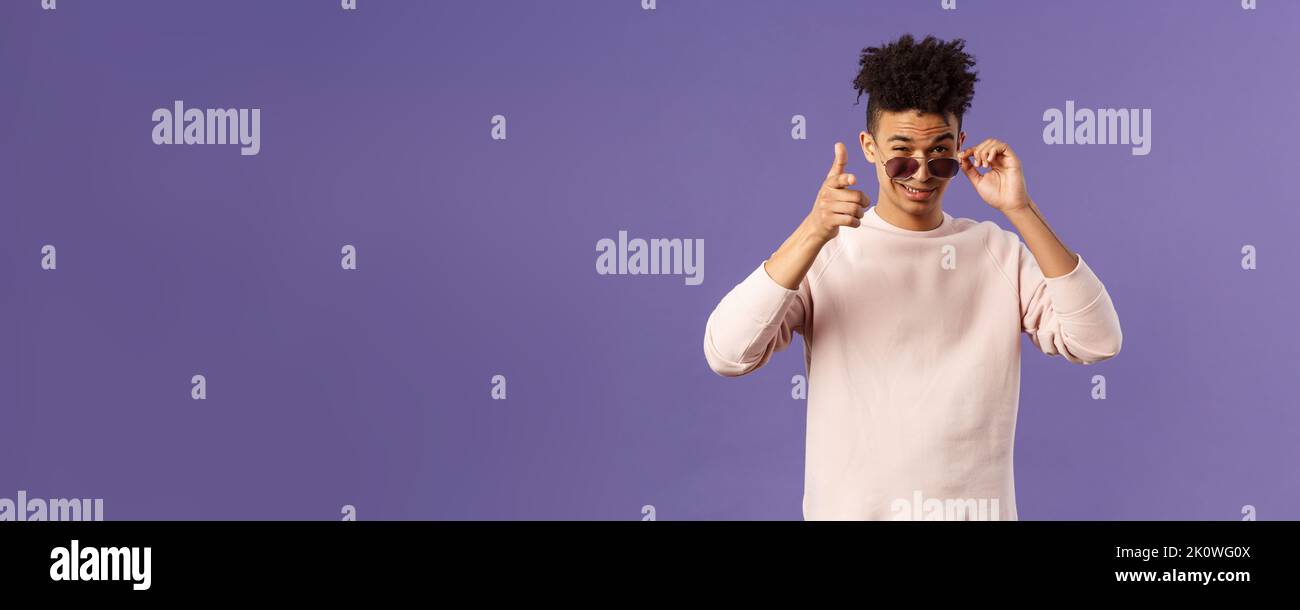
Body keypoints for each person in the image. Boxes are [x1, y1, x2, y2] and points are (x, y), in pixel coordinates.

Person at [702, 34, 1123, 520]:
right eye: (901, 154)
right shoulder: (827, 253)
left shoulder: (997, 253)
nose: (921, 173)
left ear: (961, 147)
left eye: (939, 153)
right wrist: (812, 231)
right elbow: (728, 353)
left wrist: (1020, 209)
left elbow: (1097, 340)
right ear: (869, 147)